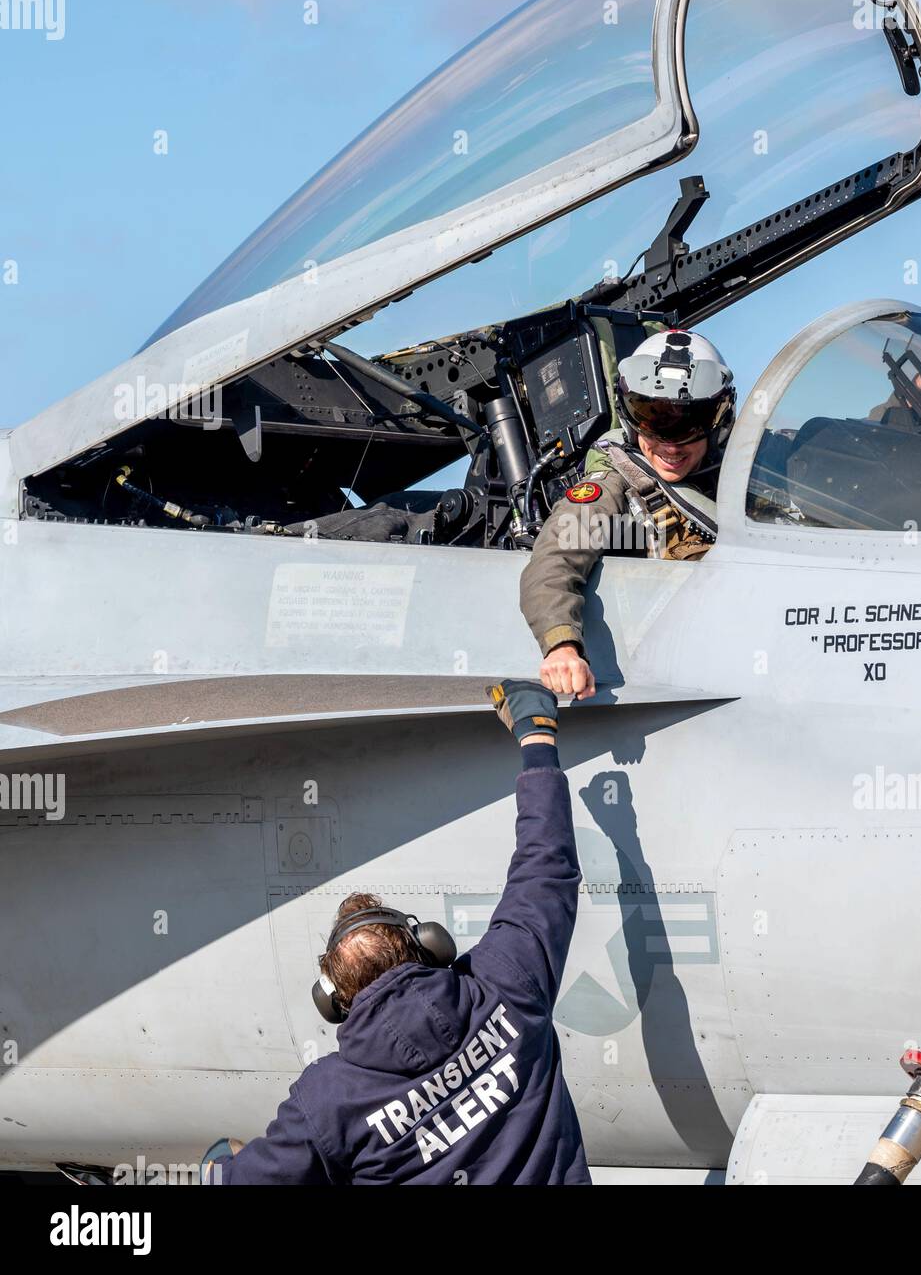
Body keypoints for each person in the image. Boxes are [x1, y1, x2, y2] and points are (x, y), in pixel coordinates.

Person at [206, 680, 590, 1185]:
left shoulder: (328, 1105)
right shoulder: (509, 982)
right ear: (428, 947)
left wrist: (216, 1169)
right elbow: (545, 864)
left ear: (334, 1000)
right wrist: (536, 735)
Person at [520, 329, 736, 700]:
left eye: (688, 423)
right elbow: (554, 561)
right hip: (671, 675)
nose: (670, 444)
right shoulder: (611, 486)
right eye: (652, 418)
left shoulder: (745, 474)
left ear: (718, 419)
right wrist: (562, 647)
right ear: (630, 418)